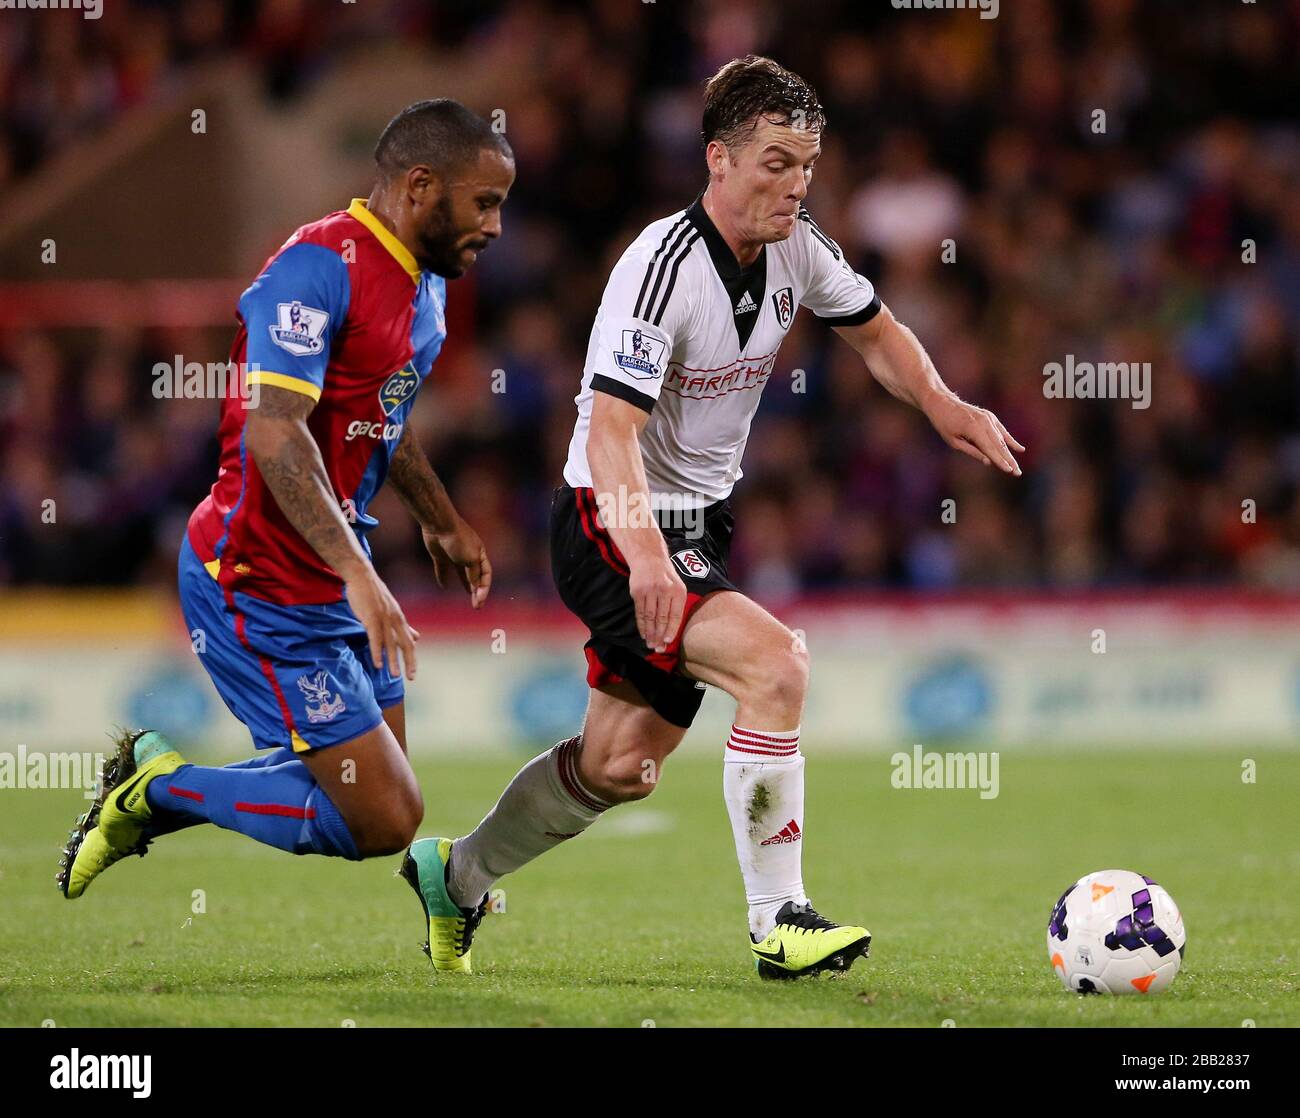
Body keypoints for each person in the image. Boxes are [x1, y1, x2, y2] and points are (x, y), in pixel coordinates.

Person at [415, 57, 1023, 978]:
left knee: (621, 767)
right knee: (777, 666)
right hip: (611, 523)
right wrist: (650, 559)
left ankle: (454, 876)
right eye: (776, 163)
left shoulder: (798, 247)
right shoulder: (657, 269)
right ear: (718, 160)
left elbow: (877, 332)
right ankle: (780, 919)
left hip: (699, 526)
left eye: (808, 164)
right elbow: (612, 430)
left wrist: (945, 404)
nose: (796, 184)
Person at [58, 102, 514, 949]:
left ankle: (167, 784)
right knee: (382, 815)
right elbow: (275, 430)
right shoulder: (315, 269)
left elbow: (383, 413)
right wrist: (358, 572)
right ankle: (157, 790)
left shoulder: (427, 289)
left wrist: (442, 520)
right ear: (421, 188)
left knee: (369, 787)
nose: (495, 225)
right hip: (258, 578)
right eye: (484, 203)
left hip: (335, 568)